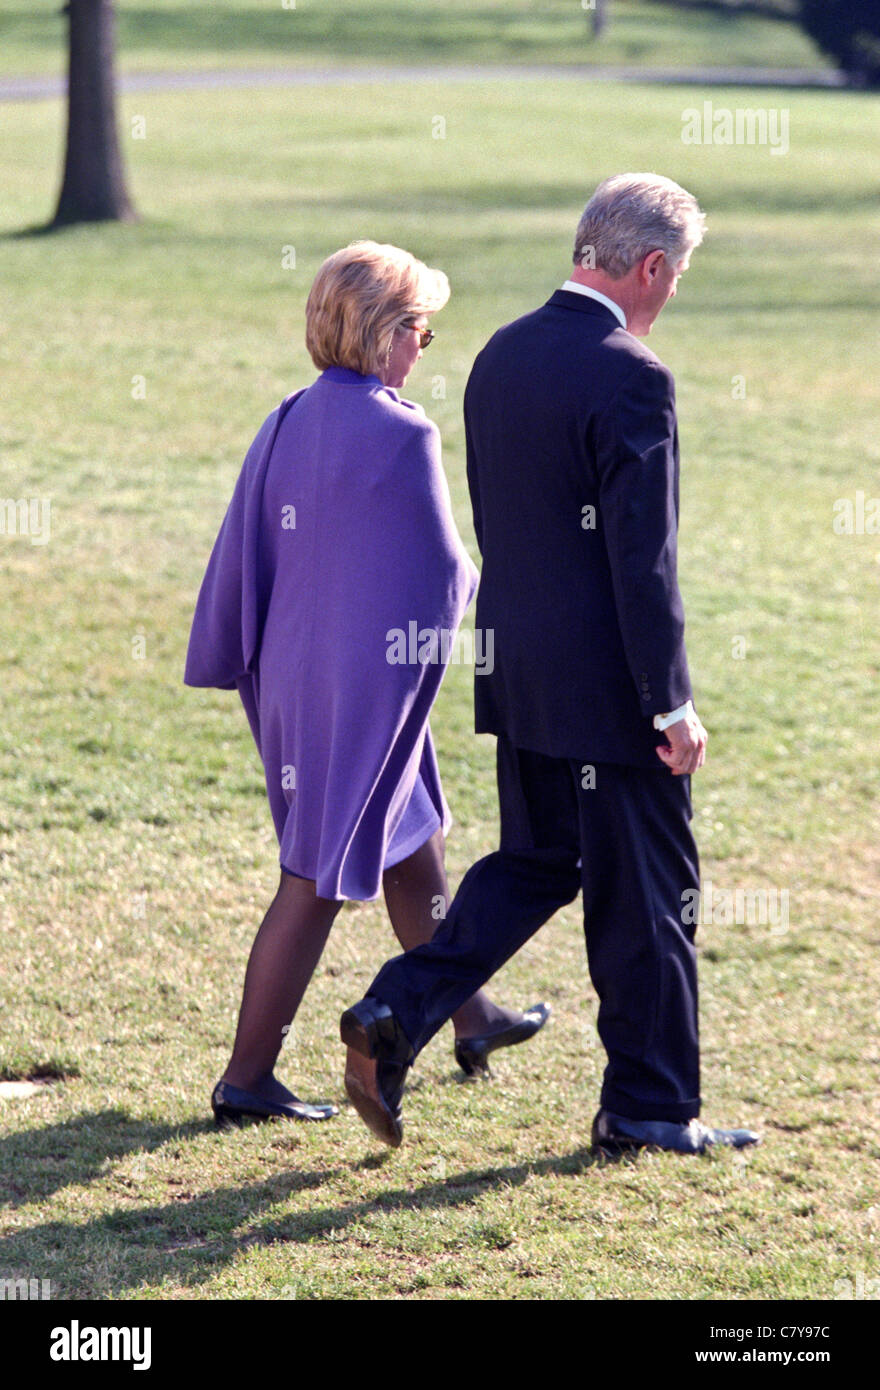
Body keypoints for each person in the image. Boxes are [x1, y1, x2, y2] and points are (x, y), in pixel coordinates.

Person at [340, 178, 761, 1155]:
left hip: (520, 673)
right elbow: (639, 561)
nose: (675, 290)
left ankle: (395, 1011)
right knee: (651, 892)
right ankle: (650, 1108)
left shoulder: (498, 353)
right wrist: (669, 704)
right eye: (679, 273)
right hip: (610, 693)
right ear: (650, 266)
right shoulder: (631, 374)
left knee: (534, 863)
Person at [184, 241, 548, 1128]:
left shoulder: (286, 418)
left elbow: (247, 557)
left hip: (299, 681)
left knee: (410, 834)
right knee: (310, 879)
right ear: (385, 332)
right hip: (364, 690)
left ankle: (469, 1015)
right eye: (422, 328)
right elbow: (445, 574)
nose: (427, 346)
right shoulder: (403, 430)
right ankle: (245, 1078)